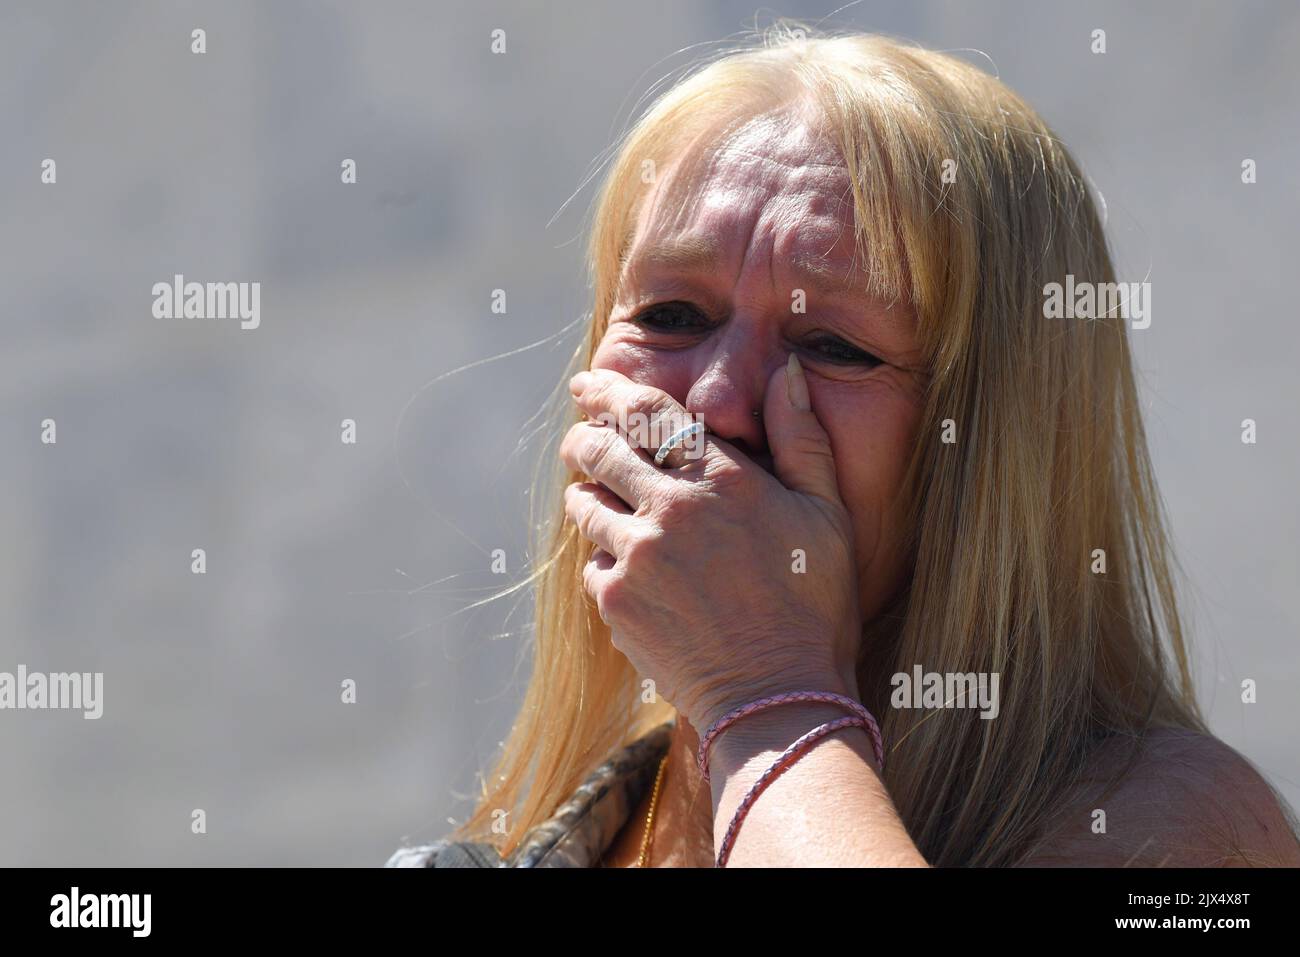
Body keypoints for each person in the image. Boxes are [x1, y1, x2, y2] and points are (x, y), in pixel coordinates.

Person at [387, 25, 1300, 868]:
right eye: (669, 317)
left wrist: (768, 699)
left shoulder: (1185, 830)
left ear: (991, 443)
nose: (715, 403)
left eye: (834, 347)